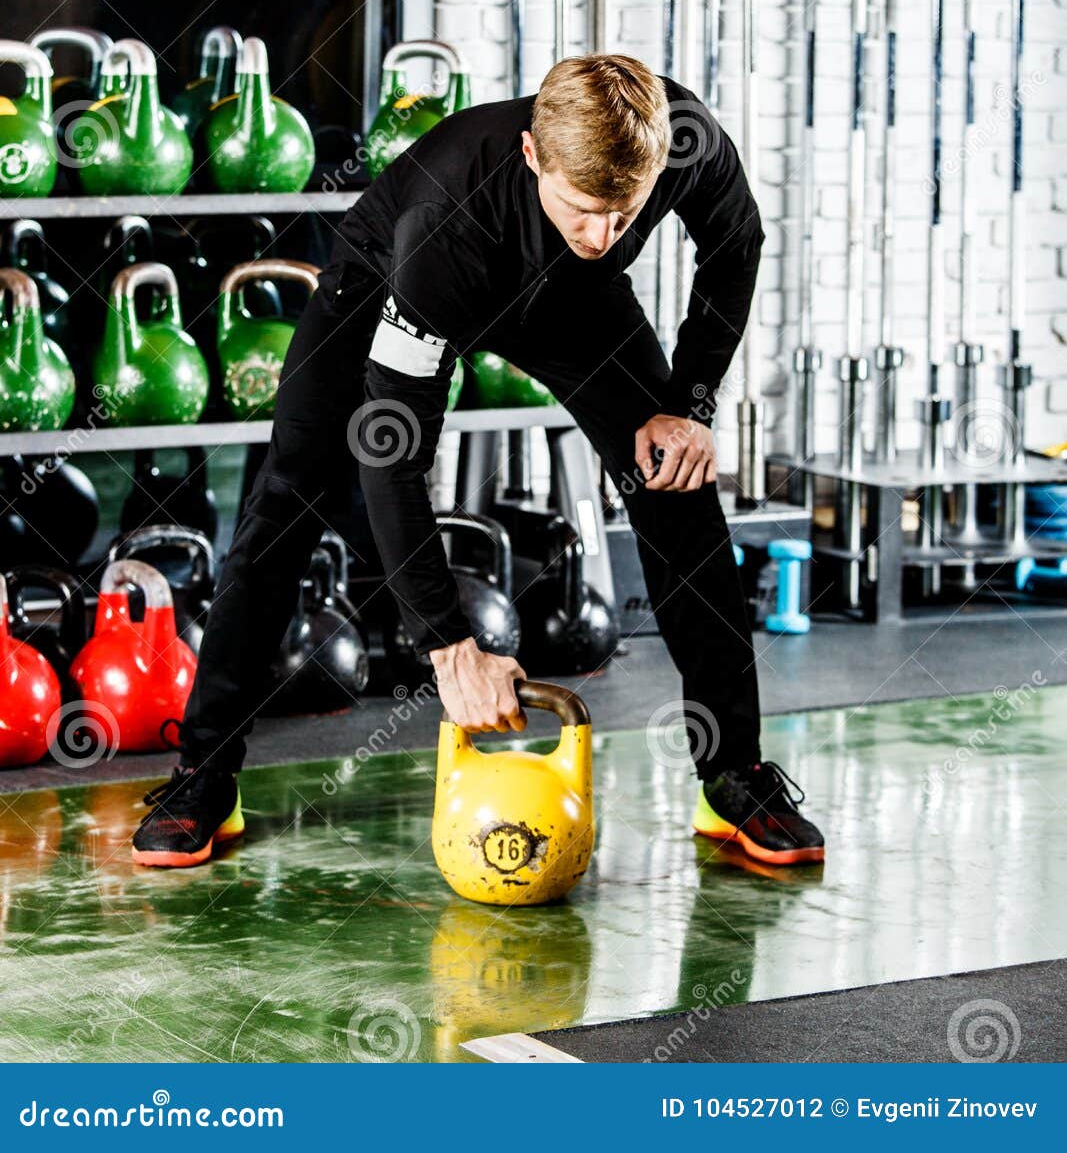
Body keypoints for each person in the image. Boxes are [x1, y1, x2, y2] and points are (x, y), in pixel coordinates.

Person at [131, 55, 824, 869]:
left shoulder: (682, 139)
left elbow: (735, 242)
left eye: (621, 211)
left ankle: (732, 774)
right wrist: (449, 645)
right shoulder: (442, 221)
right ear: (534, 155)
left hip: (570, 301)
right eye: (582, 207)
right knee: (292, 492)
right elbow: (389, 457)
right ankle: (204, 772)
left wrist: (689, 403)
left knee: (674, 484)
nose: (604, 234)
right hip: (390, 277)